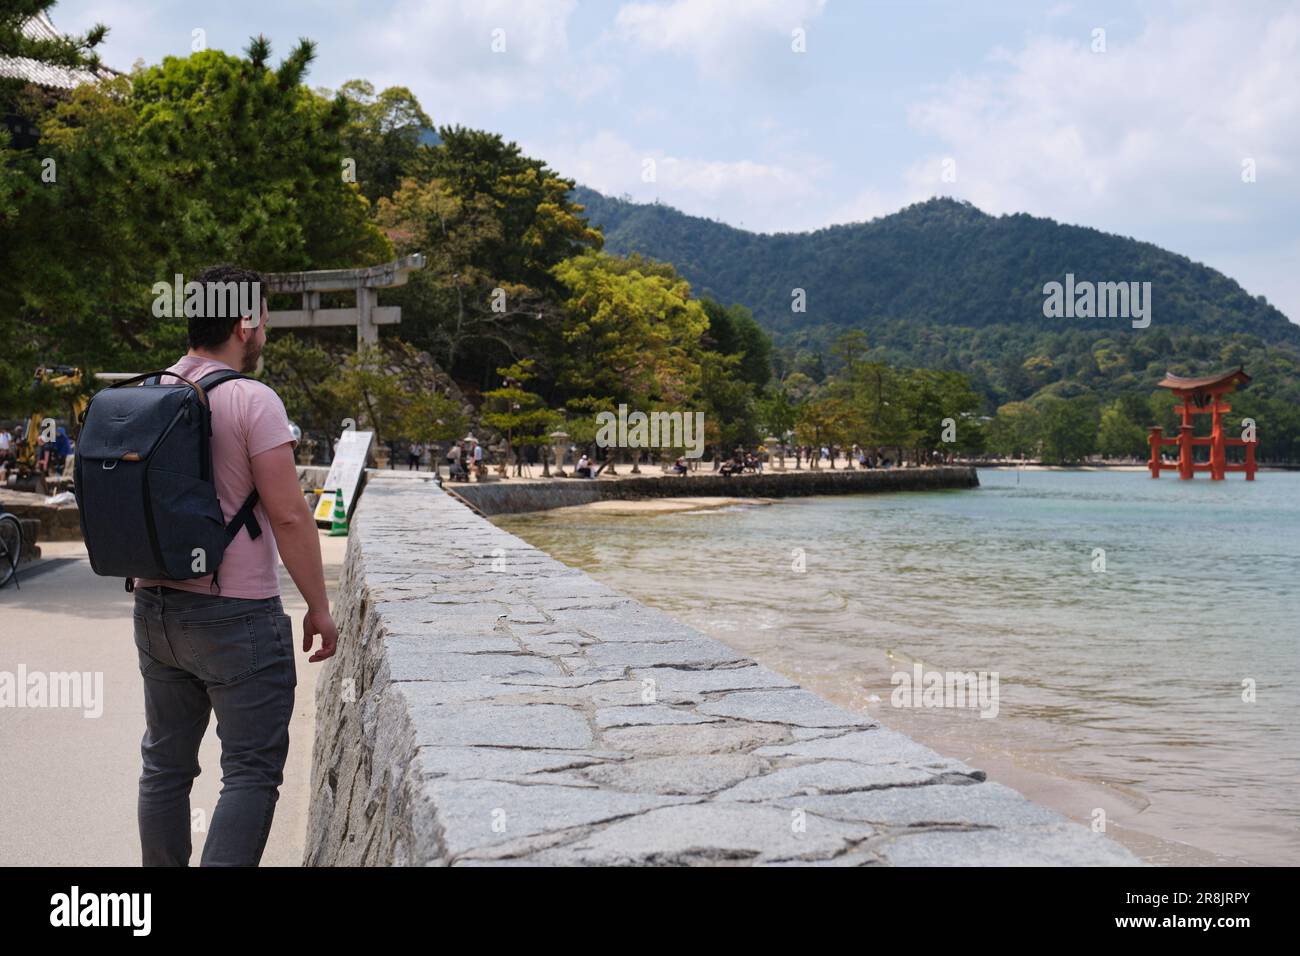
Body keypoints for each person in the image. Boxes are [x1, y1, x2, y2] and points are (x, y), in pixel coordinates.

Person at [131, 264, 338, 867]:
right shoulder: (252, 400)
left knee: (165, 767)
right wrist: (319, 608)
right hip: (236, 617)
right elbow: (292, 517)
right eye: (265, 318)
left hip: (155, 610)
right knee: (249, 771)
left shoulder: (151, 392)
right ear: (245, 323)